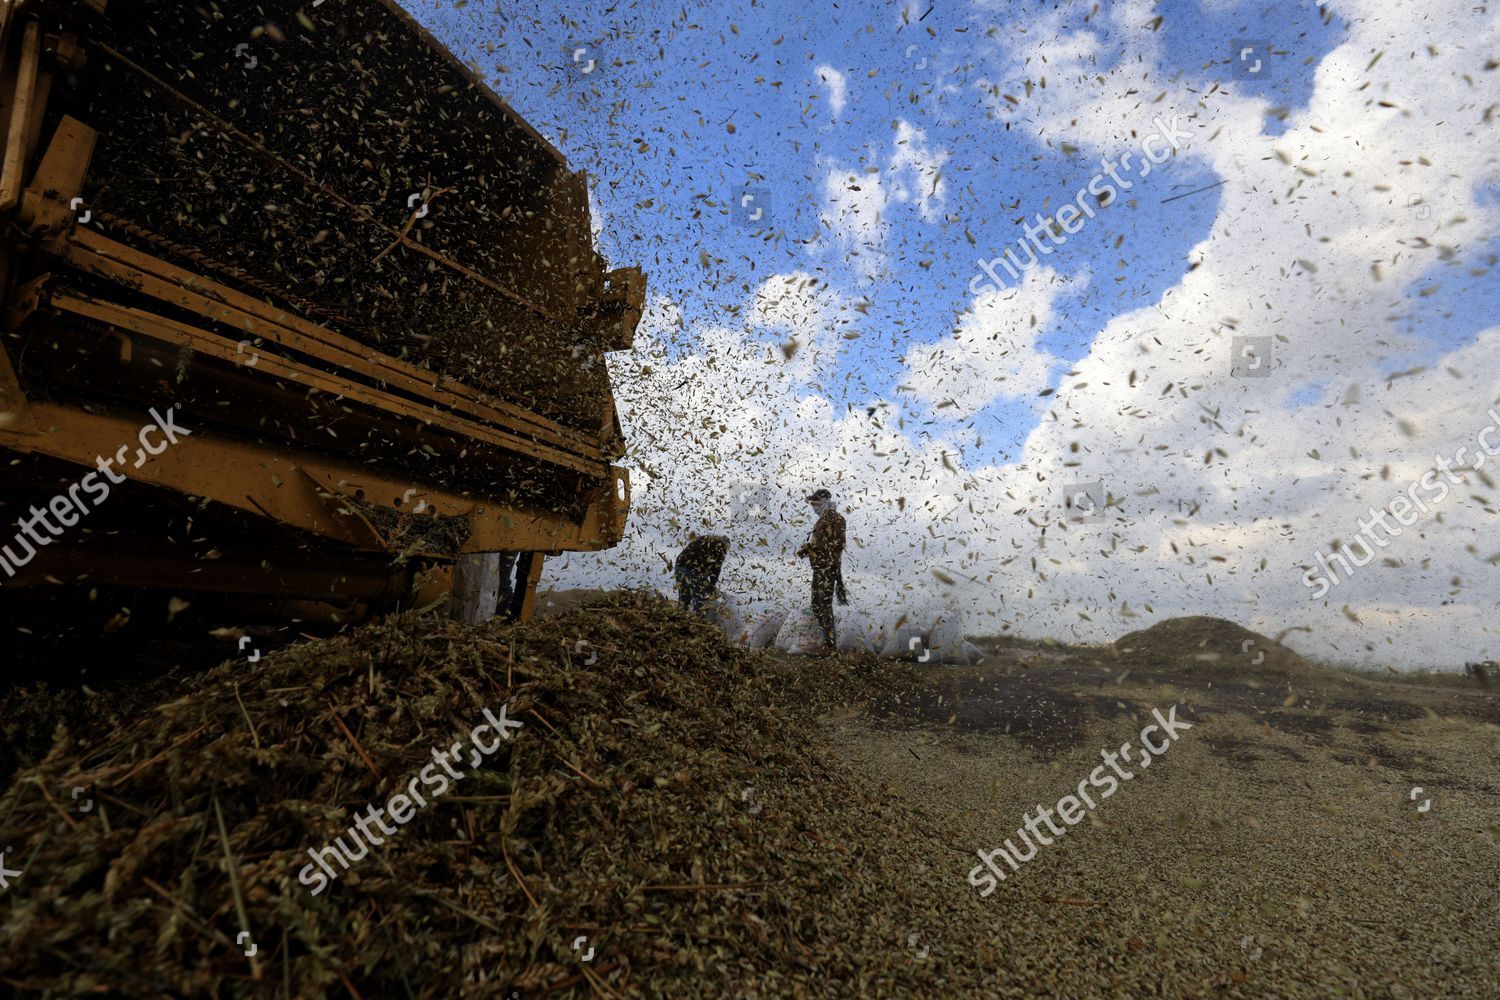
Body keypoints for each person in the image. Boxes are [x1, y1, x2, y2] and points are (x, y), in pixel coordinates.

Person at [796, 488, 847, 650]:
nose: (813, 506)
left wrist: (813, 549)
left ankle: (830, 646)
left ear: (824, 501)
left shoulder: (836, 519)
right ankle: (826, 642)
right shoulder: (822, 520)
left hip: (828, 568)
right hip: (819, 567)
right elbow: (822, 543)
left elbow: (838, 544)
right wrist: (809, 548)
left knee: (824, 605)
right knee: (816, 604)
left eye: (816, 502)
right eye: (812, 503)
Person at [674, 534, 729, 615]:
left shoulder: (704, 539)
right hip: (692, 569)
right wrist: (712, 586)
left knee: (684, 597)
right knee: (700, 597)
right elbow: (716, 569)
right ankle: (698, 619)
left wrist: (706, 582)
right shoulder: (721, 547)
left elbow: (702, 561)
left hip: (679, 567)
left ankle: (679, 617)